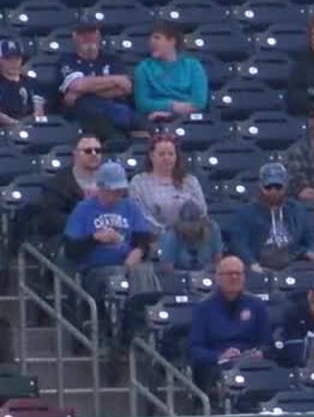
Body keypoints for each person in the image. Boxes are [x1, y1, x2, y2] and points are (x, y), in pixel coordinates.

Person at [62, 161, 154, 310]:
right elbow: (70, 249)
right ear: (102, 188)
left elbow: (142, 240)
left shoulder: (130, 207)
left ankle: (141, 318)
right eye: (113, 190)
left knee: (144, 271)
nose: (118, 194)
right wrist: (95, 238)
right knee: (116, 276)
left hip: (127, 265)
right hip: (96, 270)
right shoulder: (84, 209)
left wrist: (137, 253)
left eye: (120, 190)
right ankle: (119, 322)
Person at [129, 132, 216, 262]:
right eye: (162, 154)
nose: (167, 158)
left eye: (171, 154)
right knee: (173, 241)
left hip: (191, 232)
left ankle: (215, 268)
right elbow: (141, 214)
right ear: (152, 156)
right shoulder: (139, 182)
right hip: (158, 236)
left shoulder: (190, 181)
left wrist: (188, 227)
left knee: (213, 228)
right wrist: (166, 230)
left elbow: (202, 210)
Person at [188, 256, 270, 392]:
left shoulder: (257, 305)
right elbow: (195, 348)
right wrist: (220, 356)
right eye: (229, 273)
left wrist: (260, 353)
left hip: (250, 363)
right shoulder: (203, 308)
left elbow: (266, 343)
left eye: (238, 273)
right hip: (217, 366)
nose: (234, 277)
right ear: (218, 277)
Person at [225, 163, 314, 272]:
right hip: (261, 265)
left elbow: (310, 238)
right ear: (260, 187)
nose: (273, 191)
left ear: (285, 187)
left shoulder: (296, 210)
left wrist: (311, 251)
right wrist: (251, 263)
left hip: (293, 263)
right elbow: (239, 244)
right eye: (268, 187)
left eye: (278, 187)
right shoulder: (245, 213)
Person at [57, 18, 135, 141]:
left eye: (92, 33)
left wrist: (84, 91)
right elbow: (78, 86)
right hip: (85, 117)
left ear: (98, 35)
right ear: (74, 37)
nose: (88, 37)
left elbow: (125, 87)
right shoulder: (67, 60)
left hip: (117, 112)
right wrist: (115, 81)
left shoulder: (112, 59)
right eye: (83, 34)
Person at [133, 21, 208, 124]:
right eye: (150, 38)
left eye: (157, 38)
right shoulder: (143, 68)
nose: (151, 42)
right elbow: (142, 103)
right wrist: (171, 106)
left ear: (172, 41)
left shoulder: (193, 66)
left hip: (188, 118)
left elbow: (199, 102)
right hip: (155, 119)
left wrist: (173, 114)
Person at [35, 134, 103, 239]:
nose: (94, 154)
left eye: (97, 150)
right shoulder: (57, 184)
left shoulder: (111, 181)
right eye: (88, 151)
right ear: (75, 153)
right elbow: (51, 219)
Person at [0, 40, 38, 127]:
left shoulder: (31, 82)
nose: (13, 63)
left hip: (30, 128)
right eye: (8, 59)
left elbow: (38, 108)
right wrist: (15, 123)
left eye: (17, 58)